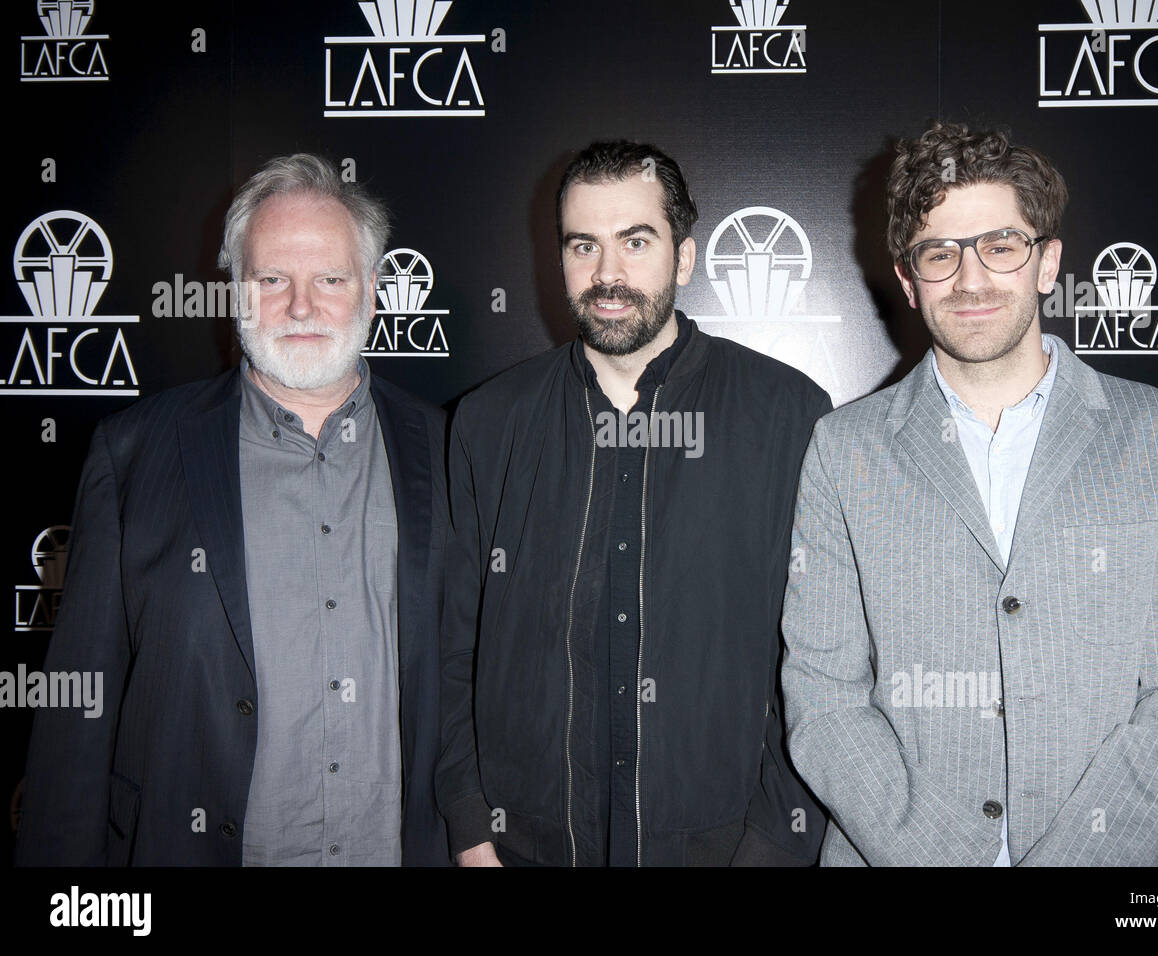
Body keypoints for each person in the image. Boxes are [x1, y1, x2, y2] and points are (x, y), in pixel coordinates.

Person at [781, 121, 1158, 866]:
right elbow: (824, 697)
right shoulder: (845, 450)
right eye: (940, 253)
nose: (970, 279)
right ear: (908, 278)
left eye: (1000, 245)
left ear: (1048, 262)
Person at [15, 154, 451, 866]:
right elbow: (77, 717)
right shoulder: (134, 455)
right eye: (272, 279)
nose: (301, 306)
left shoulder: (446, 451)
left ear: (372, 291)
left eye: (331, 280)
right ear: (235, 293)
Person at [438, 140, 829, 866]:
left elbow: (822, 664)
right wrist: (469, 826)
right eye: (583, 245)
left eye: (635, 242)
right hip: (524, 848)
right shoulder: (489, 423)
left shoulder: (790, 418)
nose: (607, 274)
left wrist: (773, 844)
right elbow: (451, 644)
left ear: (683, 258)